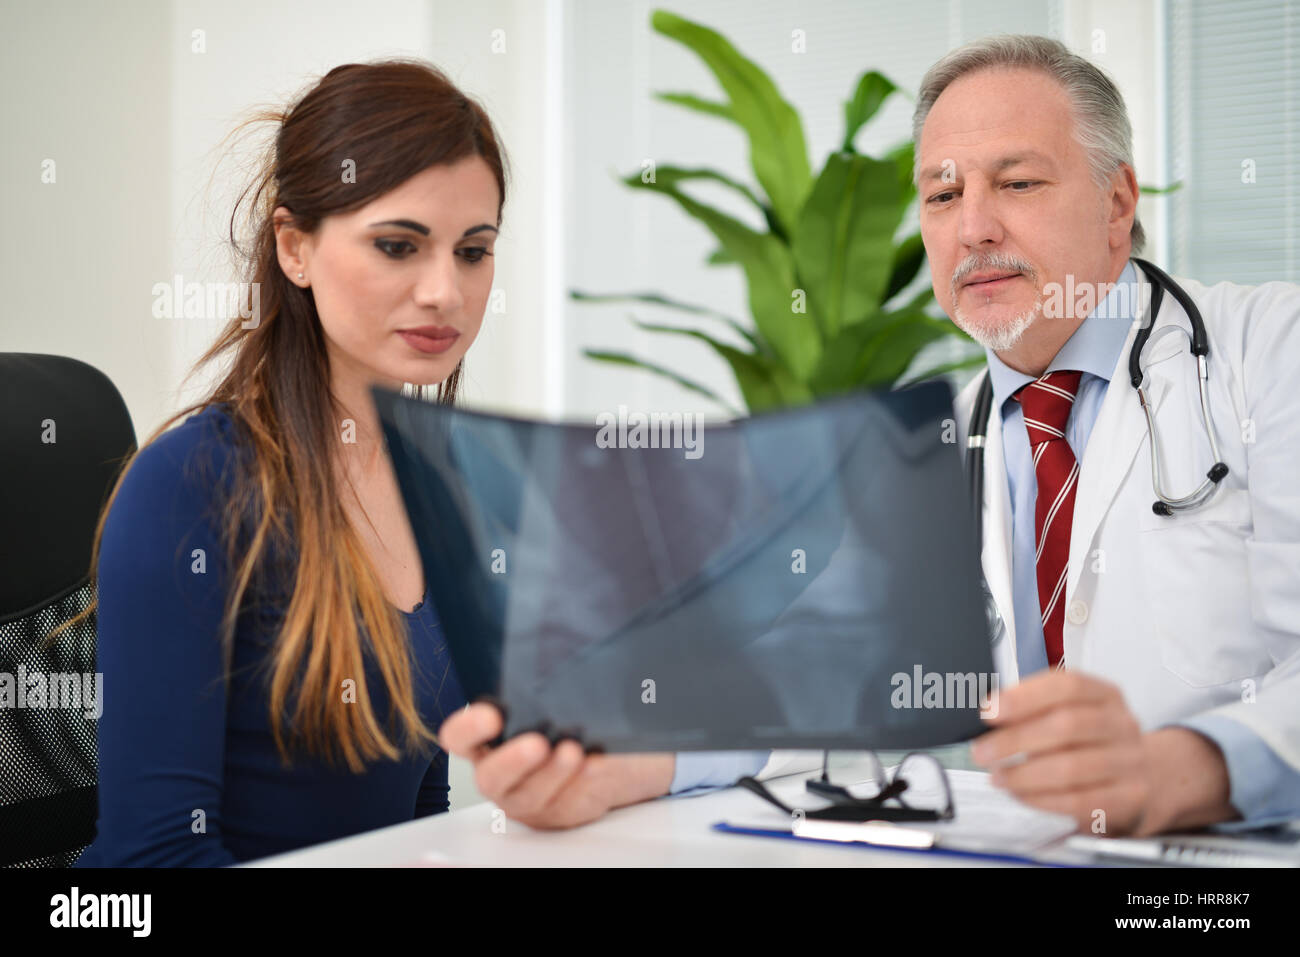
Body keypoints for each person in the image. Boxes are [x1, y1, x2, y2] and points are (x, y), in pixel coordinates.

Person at [446, 34, 1300, 839]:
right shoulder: (932, 443)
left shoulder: (1268, 351)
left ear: (1118, 203)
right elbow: (818, 681)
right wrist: (617, 768)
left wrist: (1177, 770)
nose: (974, 229)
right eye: (943, 194)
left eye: (1018, 183)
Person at [74, 58, 676, 865]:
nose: (445, 292)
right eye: (399, 245)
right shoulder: (190, 485)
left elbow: (413, 801)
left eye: (473, 251)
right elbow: (150, 861)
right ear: (294, 247)